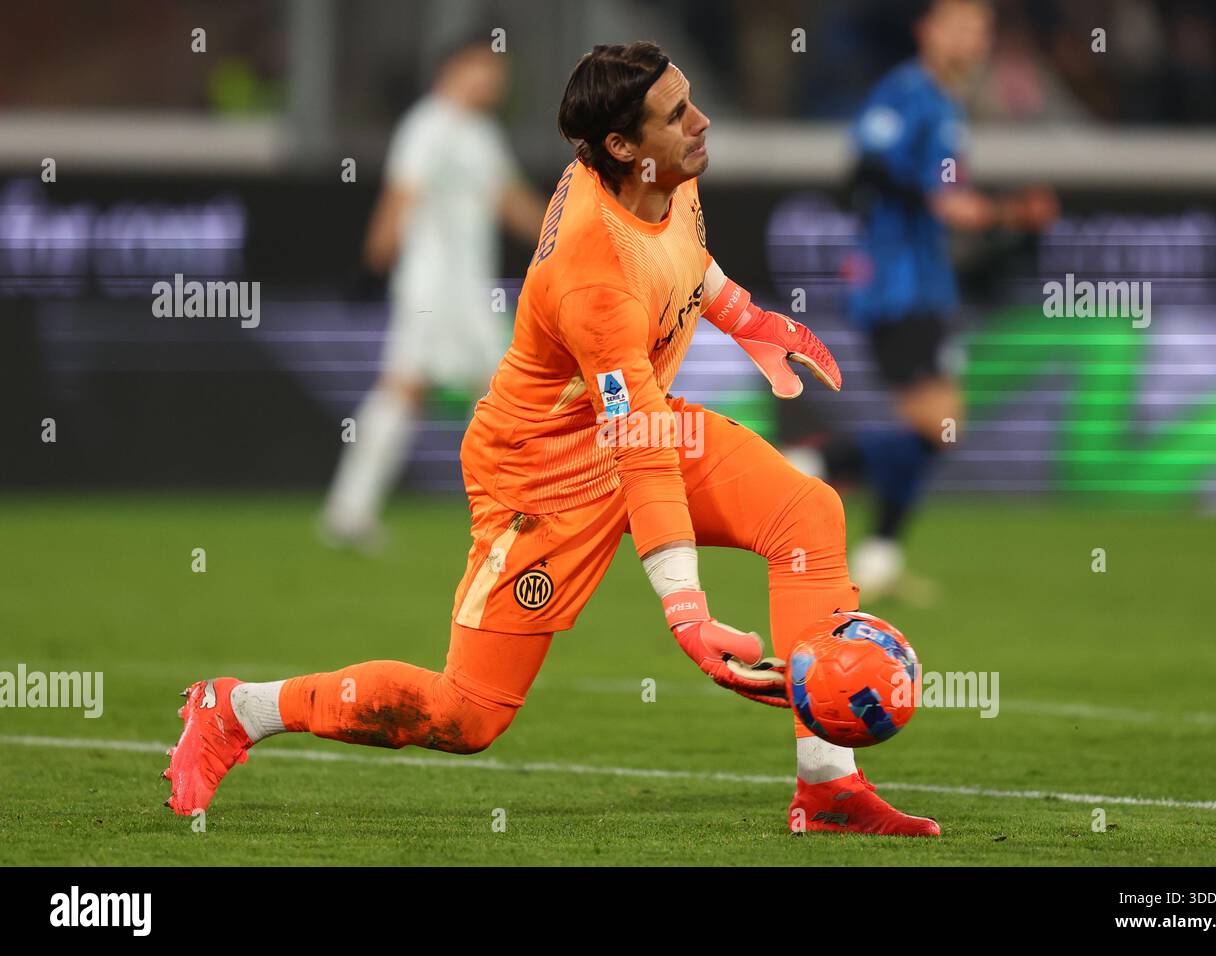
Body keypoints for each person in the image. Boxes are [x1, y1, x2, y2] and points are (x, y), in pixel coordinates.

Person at [165, 42, 940, 838]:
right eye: (677, 116)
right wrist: (688, 613)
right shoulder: (592, 273)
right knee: (466, 716)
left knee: (806, 513)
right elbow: (641, 447)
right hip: (541, 480)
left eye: (691, 99)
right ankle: (239, 709)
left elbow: (684, 261)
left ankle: (828, 787)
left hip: (632, 428)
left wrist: (747, 318)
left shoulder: (664, 171)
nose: (701, 122)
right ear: (622, 147)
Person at [793, 0, 1056, 602]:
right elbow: (862, 172)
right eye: (957, 24)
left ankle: (877, 551)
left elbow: (947, 200)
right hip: (895, 283)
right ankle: (808, 471)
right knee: (937, 424)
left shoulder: (947, 104)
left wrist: (1008, 214)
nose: (970, 38)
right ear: (926, 31)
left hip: (928, 283)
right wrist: (936, 203)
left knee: (938, 426)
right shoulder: (906, 91)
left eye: (980, 27)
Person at [322, 37, 547, 550]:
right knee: (421, 388)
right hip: (430, 288)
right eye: (487, 70)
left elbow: (509, 201)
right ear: (457, 68)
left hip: (468, 292)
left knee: (485, 392)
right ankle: (353, 511)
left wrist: (569, 236)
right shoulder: (427, 126)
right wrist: (372, 265)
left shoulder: (481, 134)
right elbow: (400, 197)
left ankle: (506, 511)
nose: (495, 82)